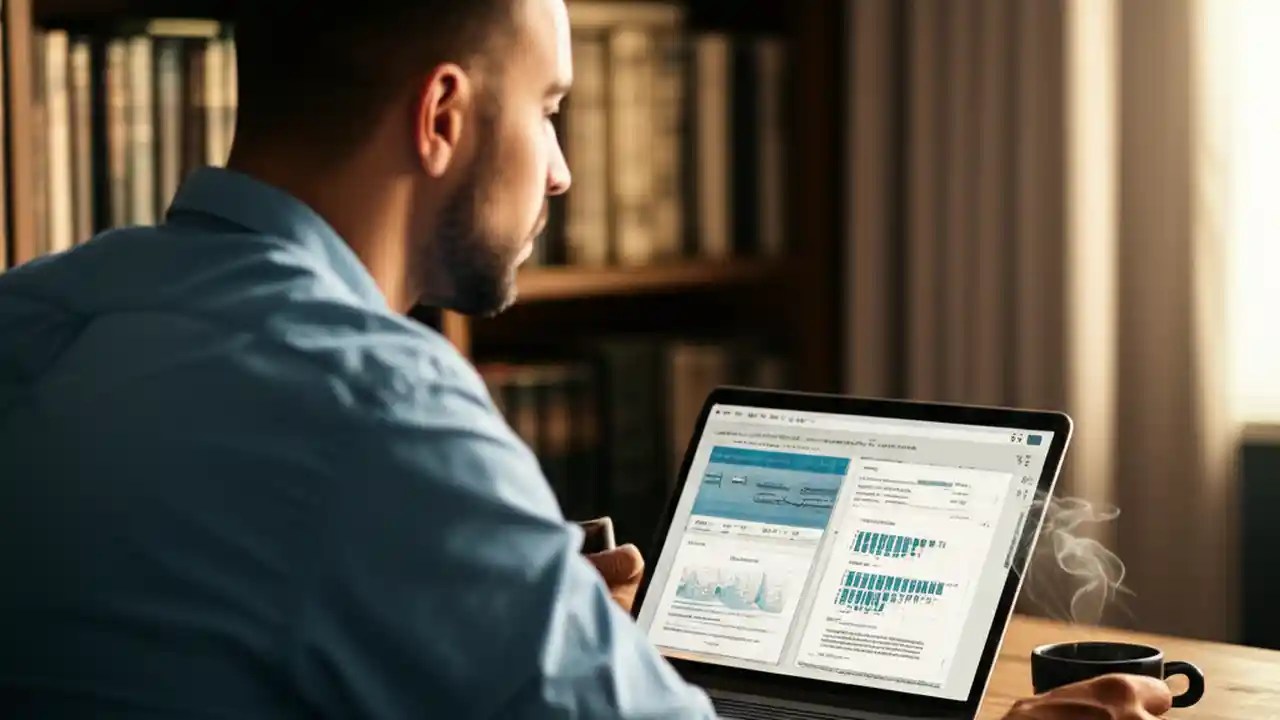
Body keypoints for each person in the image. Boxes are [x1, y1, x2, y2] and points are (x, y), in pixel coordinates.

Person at [0, 0, 1176, 717]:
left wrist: (536, 621)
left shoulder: (35, 312)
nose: (559, 170)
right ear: (444, 116)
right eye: (549, 107)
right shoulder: (378, 406)